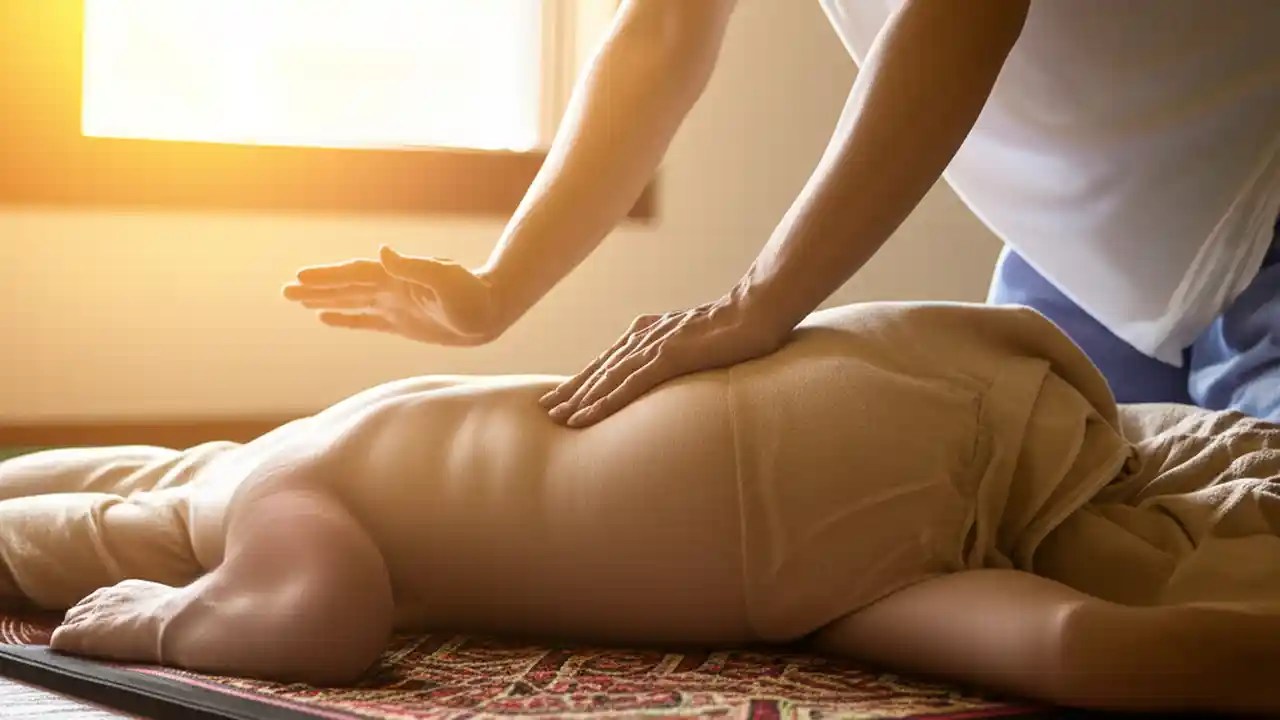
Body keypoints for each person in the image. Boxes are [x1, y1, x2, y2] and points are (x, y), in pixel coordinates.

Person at [1, 303, 1278, 714]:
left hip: (779, 518)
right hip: (838, 451)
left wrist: (165, 625)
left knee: (1063, 643)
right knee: (1073, 636)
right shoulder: (325, 444)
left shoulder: (271, 482)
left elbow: (324, 626)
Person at [282, 0, 1280, 425]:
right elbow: (662, 34)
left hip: (1254, 181)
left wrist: (759, 301)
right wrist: (499, 289)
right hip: (1083, 252)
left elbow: (965, 14)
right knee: (1042, 538)